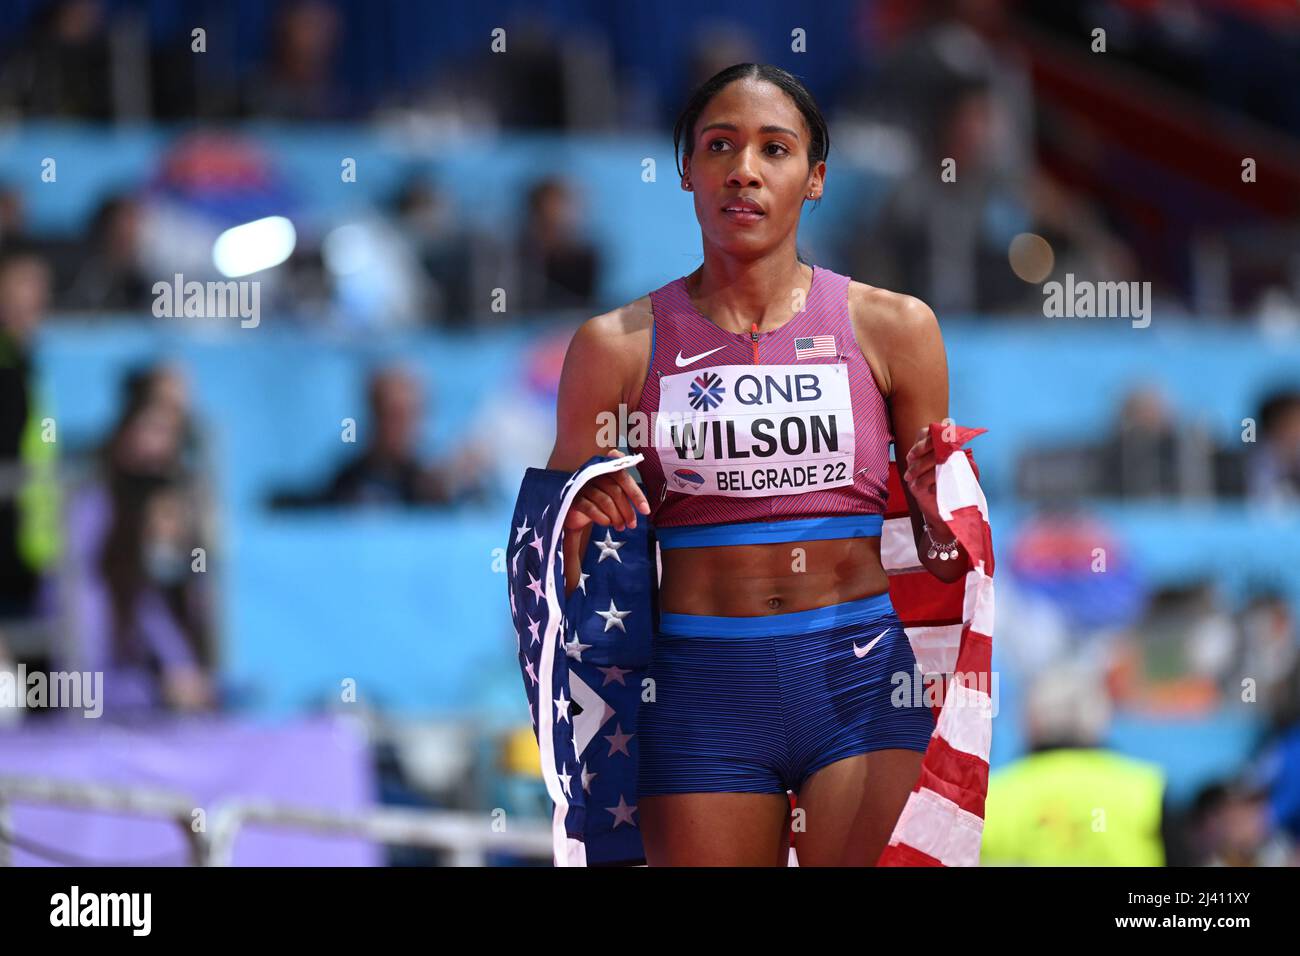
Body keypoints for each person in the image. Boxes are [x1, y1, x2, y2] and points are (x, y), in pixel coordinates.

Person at [546, 63, 974, 866]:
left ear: (815, 179)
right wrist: (576, 514)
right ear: (687, 171)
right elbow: (555, 583)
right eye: (720, 146)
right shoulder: (615, 348)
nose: (744, 170)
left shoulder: (896, 328)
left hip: (859, 683)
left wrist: (934, 512)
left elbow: (947, 563)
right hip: (700, 693)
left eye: (774, 149)